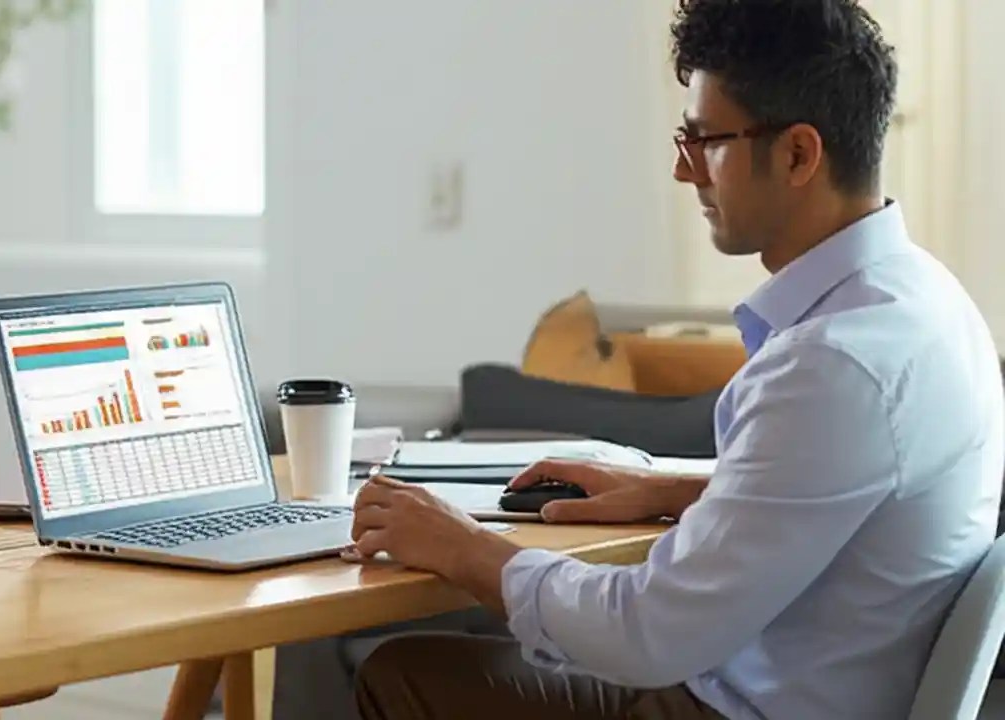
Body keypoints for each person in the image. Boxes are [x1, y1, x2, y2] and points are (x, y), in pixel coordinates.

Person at [275, 0, 1005, 718]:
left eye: (704, 140)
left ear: (797, 154)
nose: (687, 173)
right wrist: (672, 490)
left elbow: (646, 635)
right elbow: (836, 495)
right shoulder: (928, 303)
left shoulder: (833, 366)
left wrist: (464, 548)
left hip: (734, 705)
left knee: (405, 675)